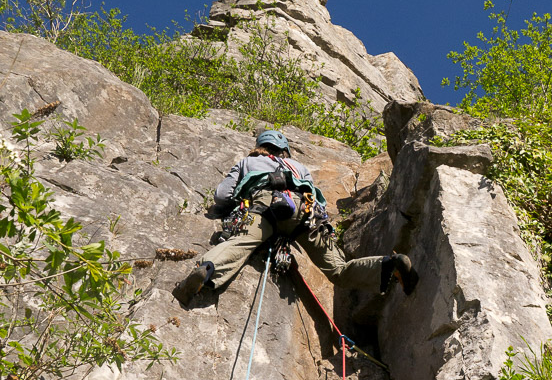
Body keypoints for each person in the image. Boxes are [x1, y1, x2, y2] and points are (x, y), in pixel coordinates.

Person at [173, 128, 418, 305]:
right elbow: (317, 198)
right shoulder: (299, 168)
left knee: (239, 243)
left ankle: (207, 269)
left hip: (264, 206)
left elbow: (222, 195)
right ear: (285, 150)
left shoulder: (248, 162)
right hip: (307, 214)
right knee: (338, 270)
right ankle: (388, 266)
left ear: (260, 146)